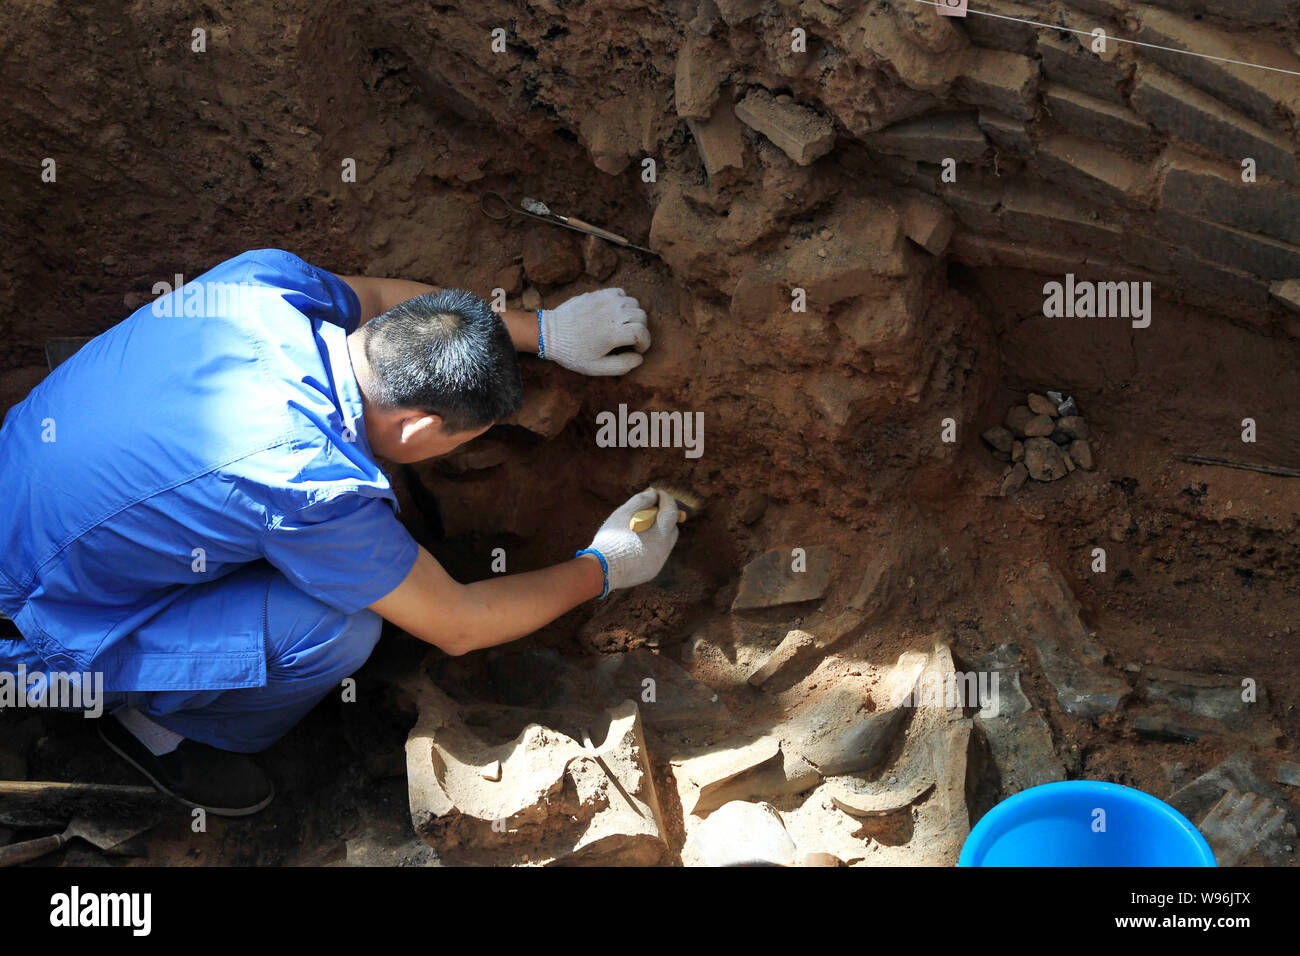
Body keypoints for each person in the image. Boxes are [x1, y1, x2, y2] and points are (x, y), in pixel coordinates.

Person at [0, 248, 681, 815]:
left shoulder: (259, 284)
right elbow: (461, 622)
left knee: (242, 531)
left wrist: (544, 331)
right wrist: (606, 565)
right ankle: (158, 728)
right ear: (417, 429)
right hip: (33, 630)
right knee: (340, 629)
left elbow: (382, 294)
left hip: (28, 487)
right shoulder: (310, 482)